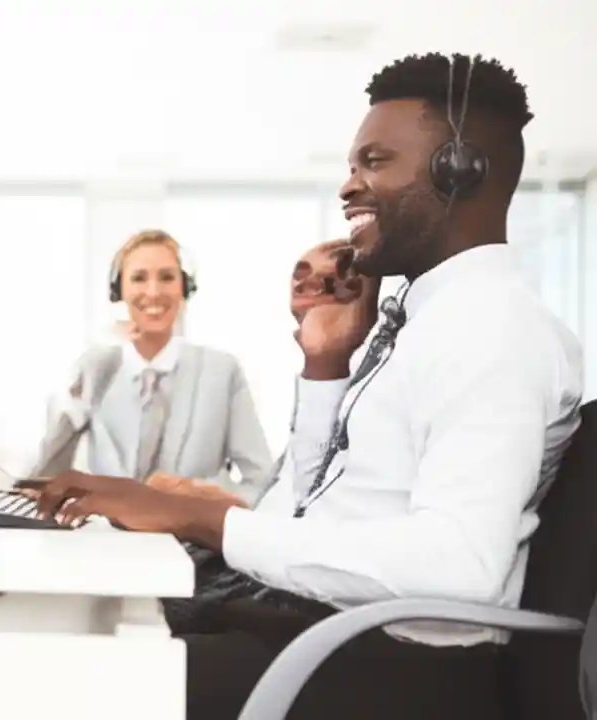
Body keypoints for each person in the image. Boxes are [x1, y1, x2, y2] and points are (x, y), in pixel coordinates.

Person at [34, 53, 583, 719]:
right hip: (321, 626)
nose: (348, 187)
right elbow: (317, 512)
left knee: (55, 681)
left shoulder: (491, 327)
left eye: (374, 162)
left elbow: (462, 563)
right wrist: (326, 363)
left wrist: (199, 514)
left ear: (460, 171)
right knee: (58, 629)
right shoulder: (426, 319)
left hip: (387, 670)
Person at [29, 229, 273, 505]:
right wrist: (85, 379)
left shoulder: (222, 371)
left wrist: (197, 493)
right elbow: (44, 477)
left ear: (185, 287)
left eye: (167, 277)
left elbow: (262, 482)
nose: (154, 292)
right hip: (110, 539)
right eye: (138, 278)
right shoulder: (97, 368)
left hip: (192, 543)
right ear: (118, 291)